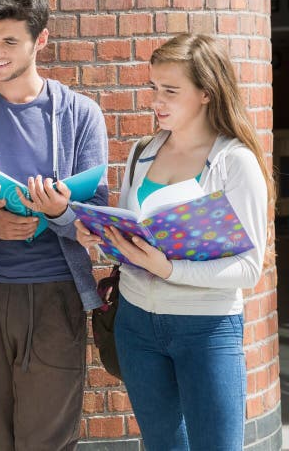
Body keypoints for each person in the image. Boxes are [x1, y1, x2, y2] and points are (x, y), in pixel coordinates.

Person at [75, 33, 270, 449]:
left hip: (207, 329)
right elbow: (132, 231)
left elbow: (250, 269)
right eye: (153, 88)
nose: (156, 101)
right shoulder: (143, 151)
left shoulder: (235, 162)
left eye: (170, 91)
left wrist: (168, 269)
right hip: (136, 325)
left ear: (205, 93)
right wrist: (101, 235)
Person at [0, 0, 109, 450]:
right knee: (4, 436)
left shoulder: (79, 115)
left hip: (55, 295)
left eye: (10, 42)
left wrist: (59, 212)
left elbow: (98, 223)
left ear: (41, 40)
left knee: (47, 441)